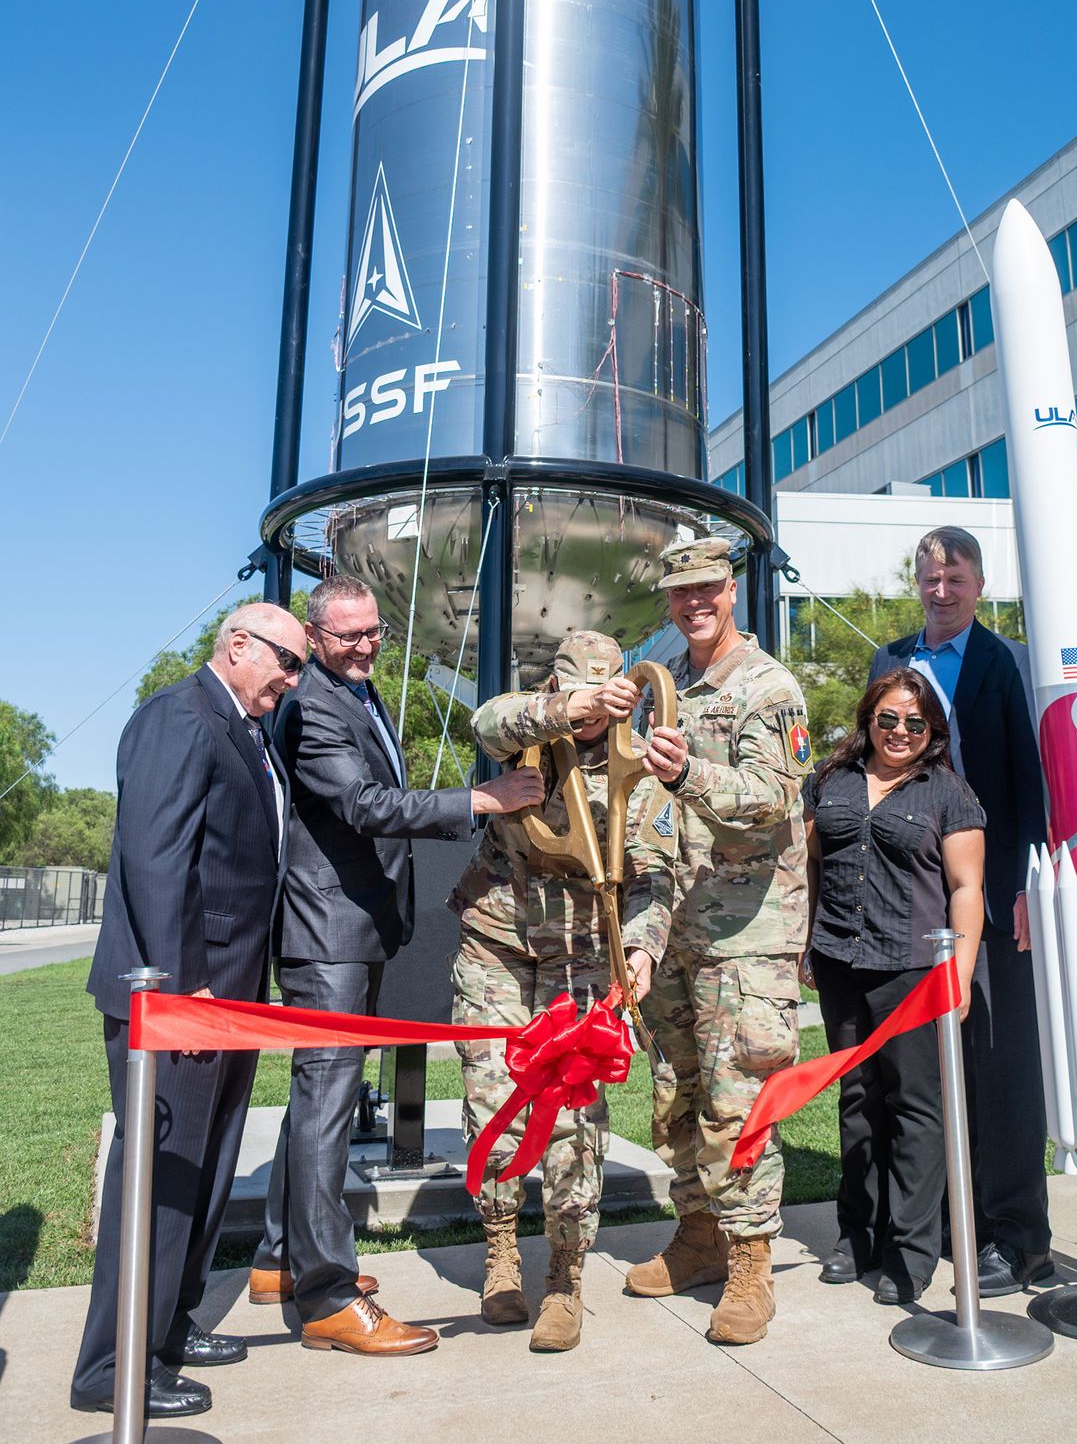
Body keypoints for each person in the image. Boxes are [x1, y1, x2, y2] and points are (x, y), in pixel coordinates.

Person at [248, 574, 540, 1357]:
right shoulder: (312, 706)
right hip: (327, 933)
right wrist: (480, 801)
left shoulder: (355, 692)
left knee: (322, 1100)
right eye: (349, 636)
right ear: (314, 638)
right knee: (326, 1104)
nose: (368, 646)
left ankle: (282, 1257)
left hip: (357, 926)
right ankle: (328, 1298)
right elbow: (367, 807)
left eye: (375, 630)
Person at [71, 602, 308, 1420]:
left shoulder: (246, 728)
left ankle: (170, 1324)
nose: (293, 677)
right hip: (180, 998)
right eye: (286, 658)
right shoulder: (178, 715)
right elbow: (156, 857)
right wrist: (180, 986)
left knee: (206, 1174)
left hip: (230, 992)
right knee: (161, 1182)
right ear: (237, 643)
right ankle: (112, 1368)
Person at [451, 630, 677, 1353]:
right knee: (493, 1099)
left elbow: (656, 876)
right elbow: (489, 718)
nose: (590, 719)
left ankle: (566, 1278)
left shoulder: (638, 770)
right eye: (580, 698)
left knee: (574, 1116)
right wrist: (562, 707)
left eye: (604, 700)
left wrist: (641, 948)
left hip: (582, 952)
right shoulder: (522, 733)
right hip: (497, 943)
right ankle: (500, 1252)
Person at [625, 536, 812, 1347]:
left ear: (731, 589)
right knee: (679, 1093)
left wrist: (685, 775)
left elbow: (771, 798)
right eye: (679, 592)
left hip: (748, 931)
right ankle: (699, 1235)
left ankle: (750, 1262)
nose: (693, 603)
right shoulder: (678, 690)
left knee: (739, 1100)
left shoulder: (768, 687)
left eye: (706, 588)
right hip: (680, 927)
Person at [869, 525, 1053, 1295]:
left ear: (979, 585)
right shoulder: (891, 663)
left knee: (1000, 1061)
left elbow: (1027, 780)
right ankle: (948, 1223)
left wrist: (1021, 890)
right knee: (926, 1065)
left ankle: (1019, 1234)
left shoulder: (1005, 661)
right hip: (914, 894)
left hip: (995, 888)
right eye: (930, 579)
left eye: (956, 579)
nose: (941, 592)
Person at [803, 668, 985, 1303]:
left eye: (914, 721)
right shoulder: (832, 781)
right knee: (857, 1101)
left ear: (931, 729)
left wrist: (956, 977)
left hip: (913, 968)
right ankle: (856, 1236)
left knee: (915, 1108)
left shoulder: (949, 793)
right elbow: (812, 866)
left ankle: (910, 1252)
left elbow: (966, 890)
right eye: (887, 719)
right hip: (840, 963)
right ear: (868, 719)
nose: (899, 731)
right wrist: (806, 945)